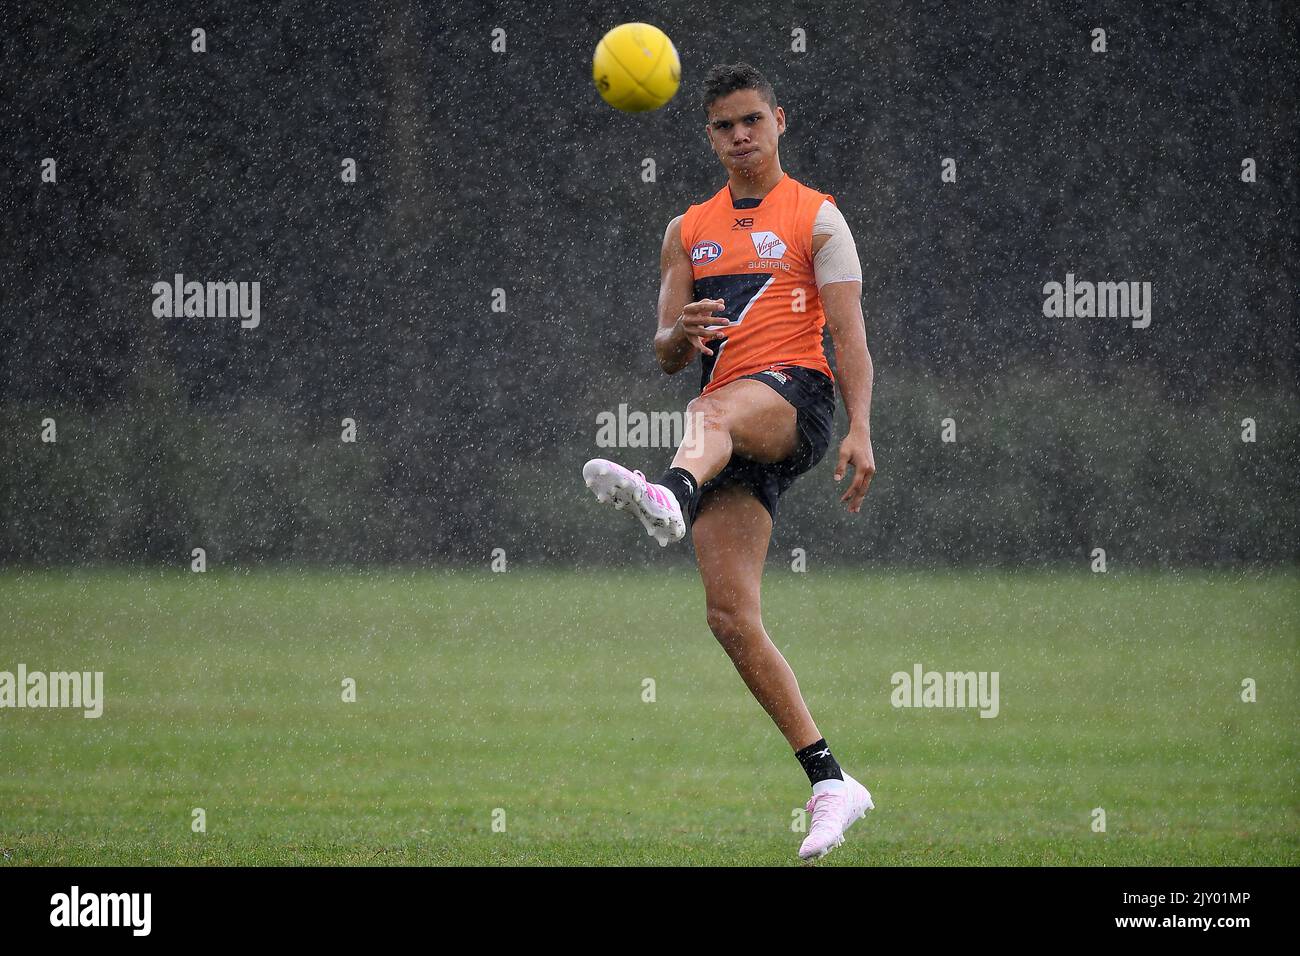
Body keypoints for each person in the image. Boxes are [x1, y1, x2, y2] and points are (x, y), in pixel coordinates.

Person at [582, 62, 877, 861]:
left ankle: (667, 490)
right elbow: (666, 348)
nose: (741, 135)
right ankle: (830, 781)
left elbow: (849, 337)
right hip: (724, 435)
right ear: (709, 136)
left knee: (707, 412)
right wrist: (679, 337)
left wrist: (861, 429)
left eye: (753, 120)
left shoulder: (818, 218)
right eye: (724, 125)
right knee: (729, 618)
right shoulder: (687, 229)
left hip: (795, 402)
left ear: (780, 120)